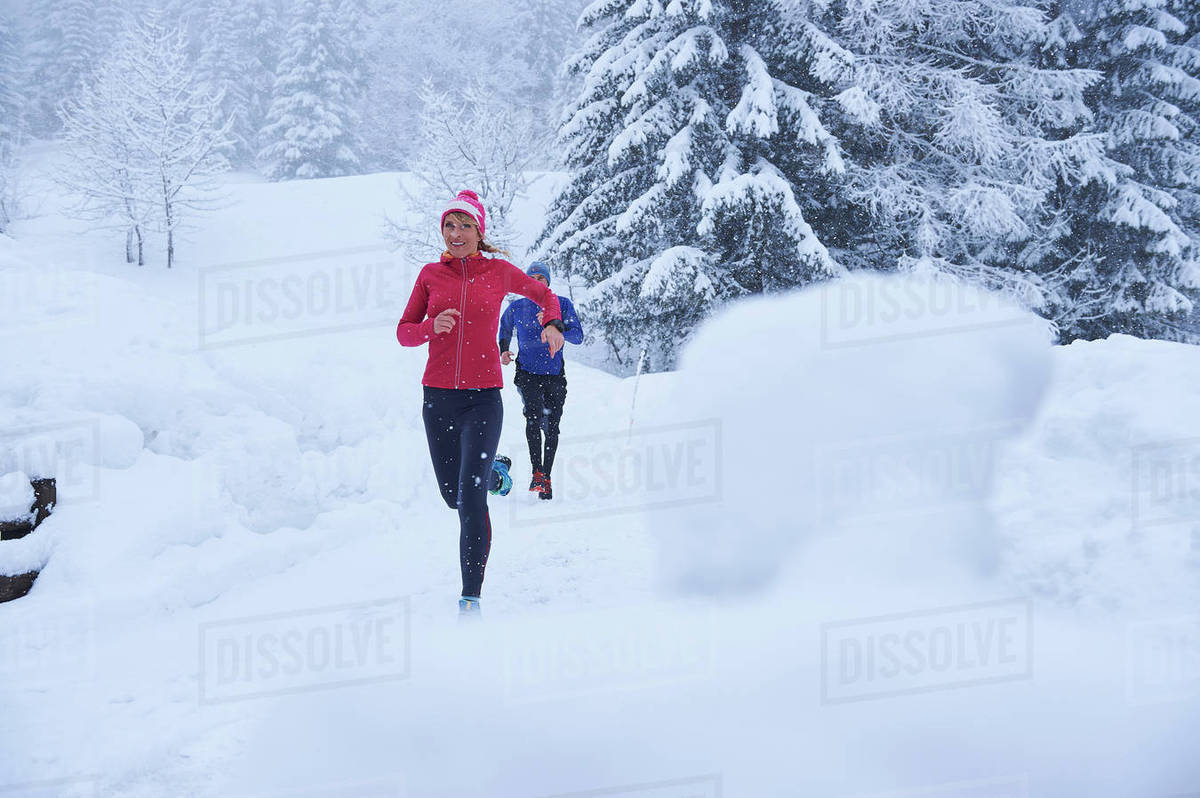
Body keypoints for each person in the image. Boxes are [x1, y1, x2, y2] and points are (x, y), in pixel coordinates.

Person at [396, 190, 566, 616]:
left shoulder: (501, 273)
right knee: (452, 496)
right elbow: (403, 330)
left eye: (465, 226)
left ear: (479, 231)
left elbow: (545, 296)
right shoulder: (430, 276)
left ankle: (470, 598)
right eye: (449, 226)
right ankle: (493, 472)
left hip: (483, 399)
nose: (456, 234)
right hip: (437, 398)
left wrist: (552, 324)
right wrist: (430, 327)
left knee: (471, 503)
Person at [498, 262, 584, 500]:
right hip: (527, 373)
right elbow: (504, 329)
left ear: (548, 282)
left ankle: (547, 475)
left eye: (541, 277)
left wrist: (558, 326)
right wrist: (504, 349)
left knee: (552, 426)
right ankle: (538, 473)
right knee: (533, 419)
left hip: (555, 375)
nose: (537, 281)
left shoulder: (561, 304)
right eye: (532, 277)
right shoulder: (517, 307)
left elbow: (578, 336)